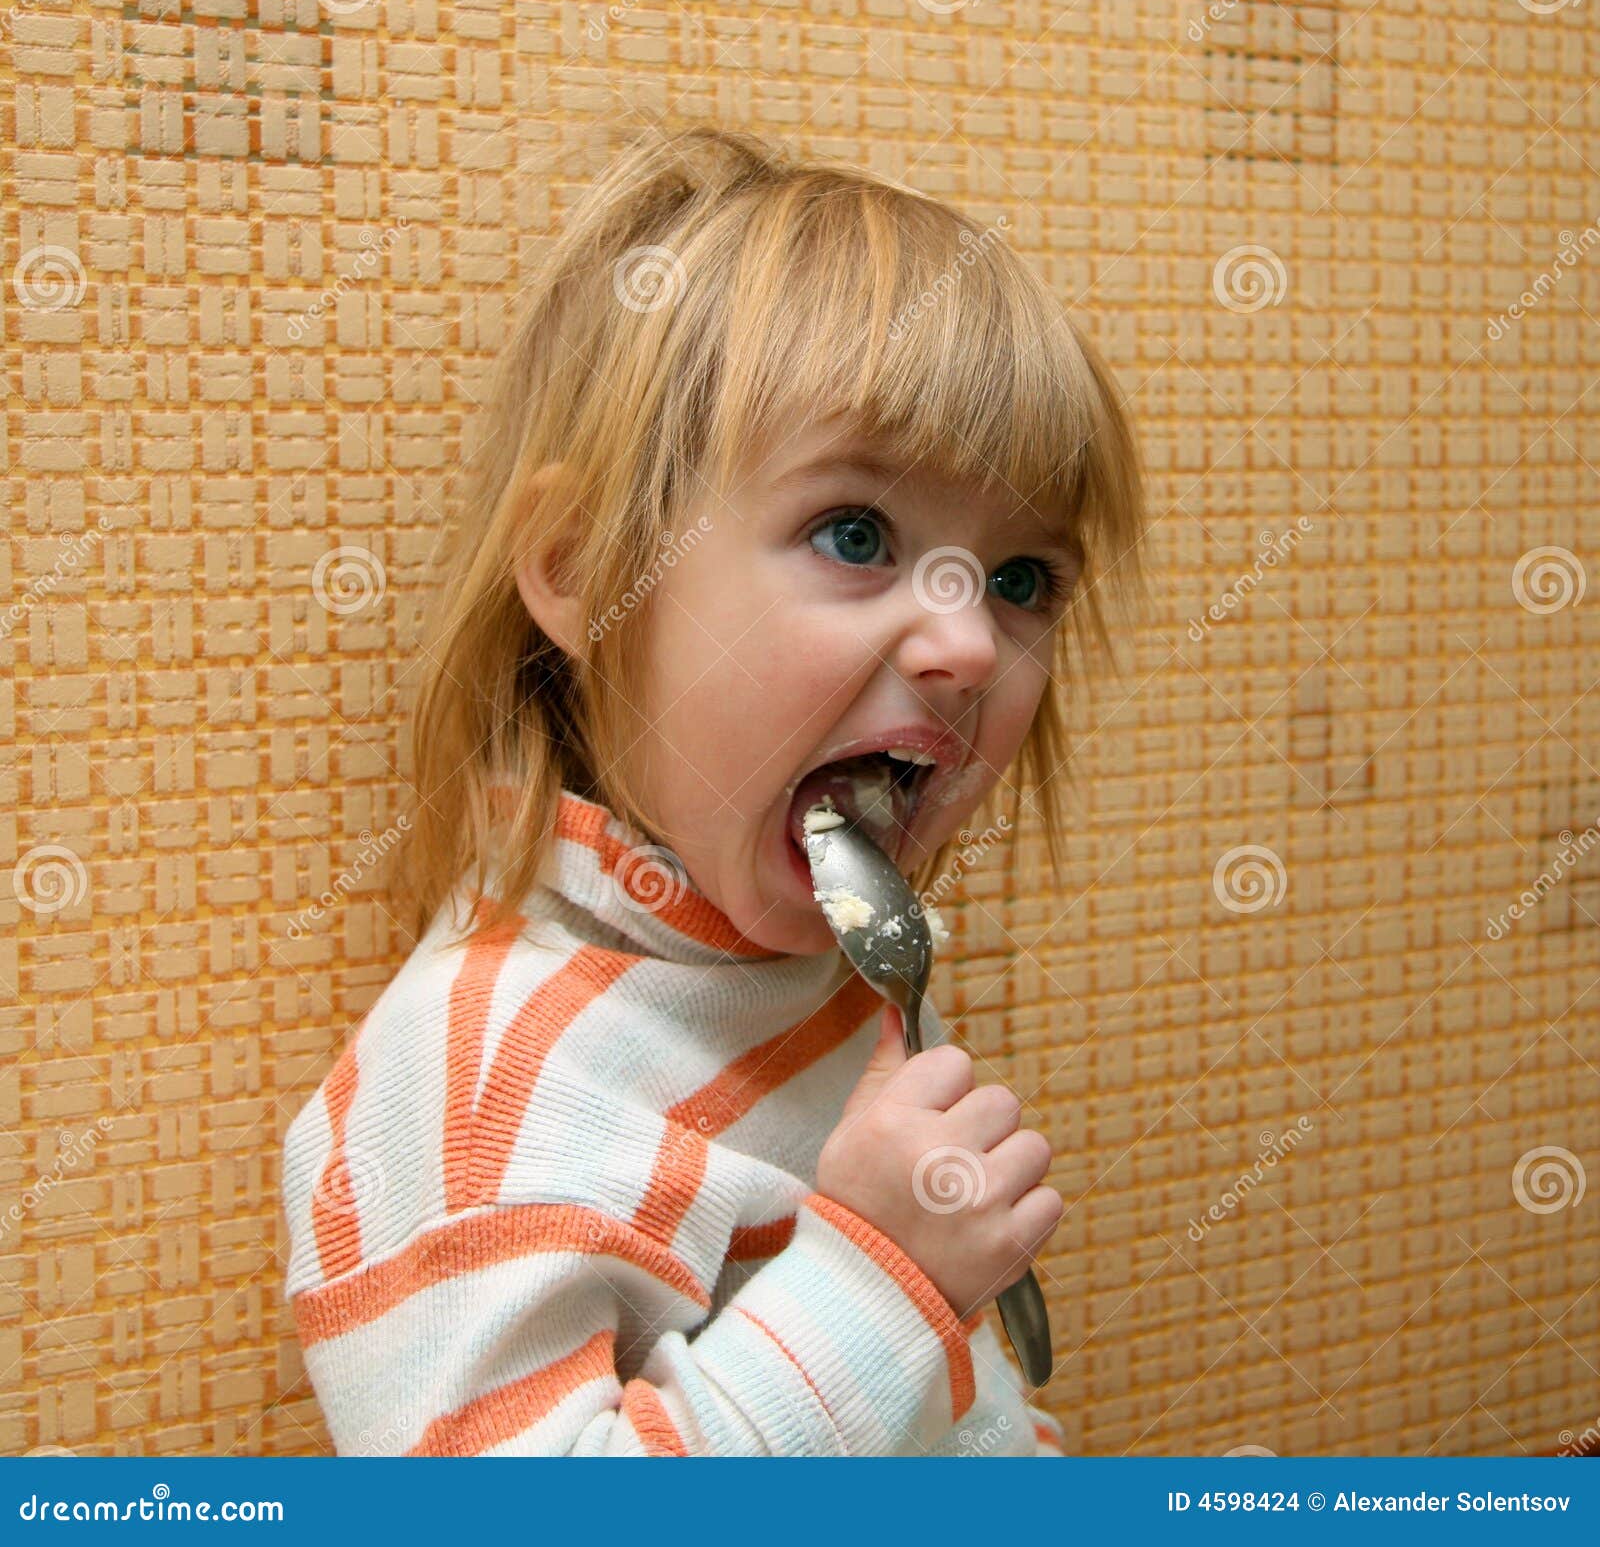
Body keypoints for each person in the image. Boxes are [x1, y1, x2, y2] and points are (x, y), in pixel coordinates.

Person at [280, 120, 1148, 1456]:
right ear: (580, 571)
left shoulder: (834, 977)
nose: (971, 644)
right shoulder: (484, 1079)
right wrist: (877, 1279)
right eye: (857, 535)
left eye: (1022, 578)